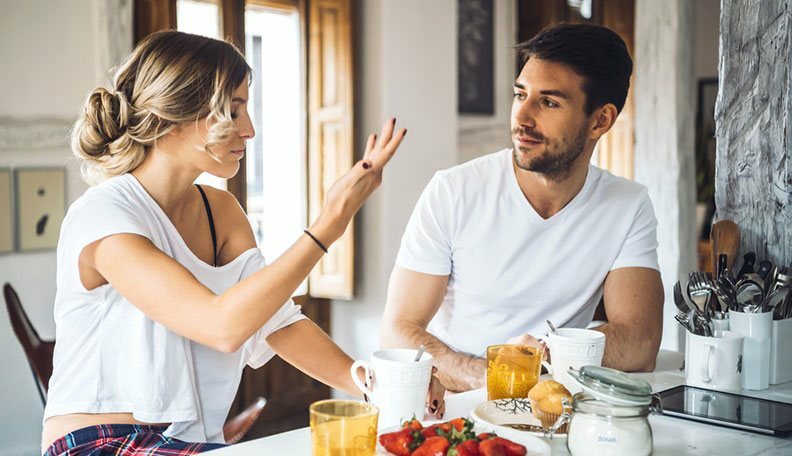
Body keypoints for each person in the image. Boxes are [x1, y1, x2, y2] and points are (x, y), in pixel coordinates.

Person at [42, 30, 444, 455]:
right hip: (97, 442)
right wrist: (330, 223)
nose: (249, 130)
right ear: (171, 117)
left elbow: (275, 324)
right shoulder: (104, 217)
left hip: (194, 443)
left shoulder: (221, 211)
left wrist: (376, 387)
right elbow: (222, 327)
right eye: (232, 112)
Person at [381, 23, 664, 392]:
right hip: (452, 410)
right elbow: (397, 331)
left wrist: (548, 356)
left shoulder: (628, 206)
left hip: (553, 408)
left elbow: (640, 341)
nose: (522, 118)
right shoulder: (453, 191)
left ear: (600, 120)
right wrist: (494, 373)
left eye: (548, 102)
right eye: (520, 95)